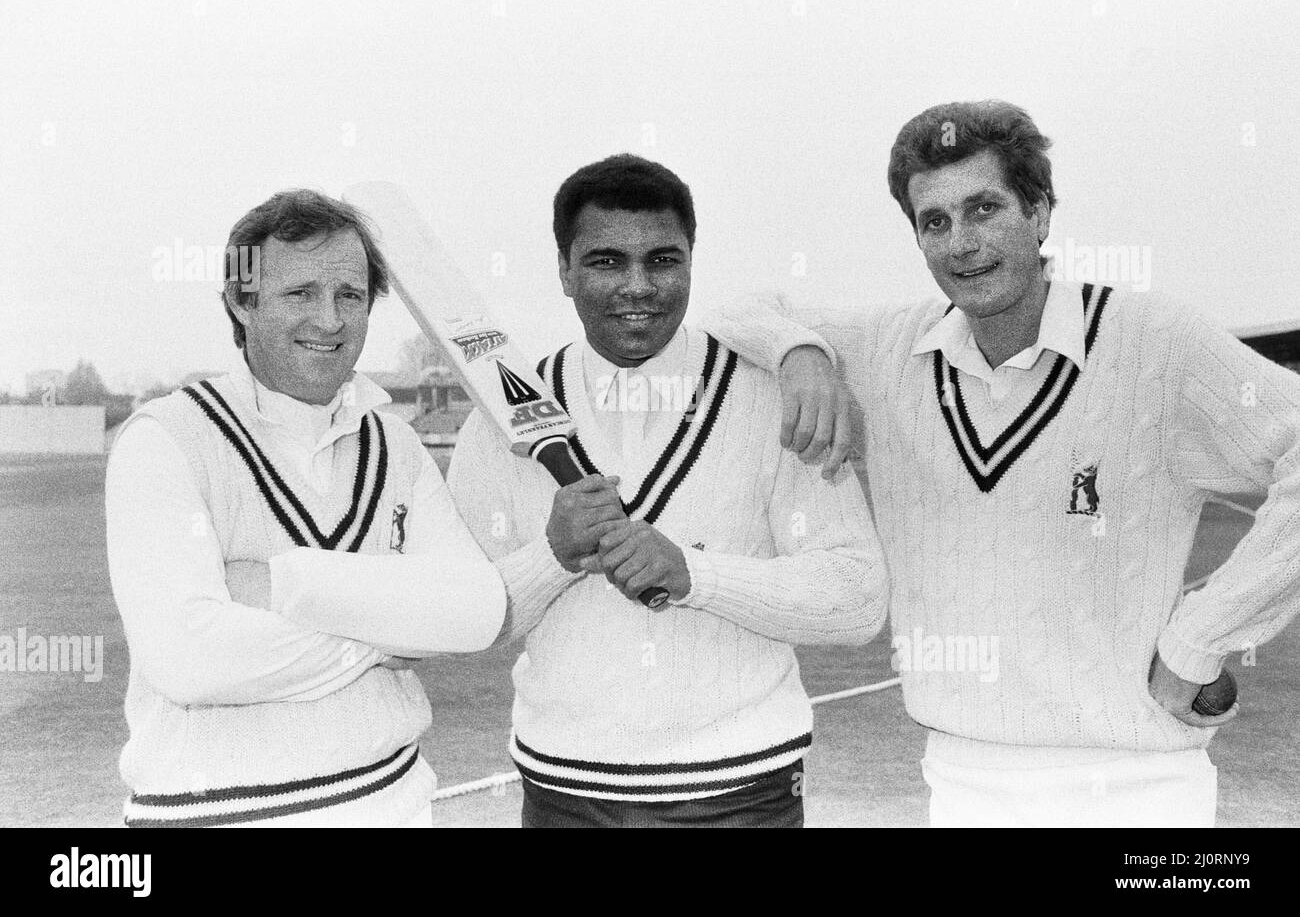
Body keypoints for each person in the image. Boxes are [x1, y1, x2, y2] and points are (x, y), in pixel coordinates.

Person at [702, 100, 1300, 827]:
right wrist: (798, 351)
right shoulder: (890, 349)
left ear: (1041, 211)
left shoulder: (1156, 341)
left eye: (984, 208)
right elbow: (729, 310)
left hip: (1142, 788)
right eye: (935, 221)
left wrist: (1201, 636)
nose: (962, 242)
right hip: (962, 780)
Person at [444, 154, 889, 827]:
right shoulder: (501, 417)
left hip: (742, 791)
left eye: (662, 259)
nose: (638, 285)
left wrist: (695, 575)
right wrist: (552, 557)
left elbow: (857, 599)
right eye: (605, 262)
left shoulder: (771, 396)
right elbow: (463, 624)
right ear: (564, 270)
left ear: (690, 260)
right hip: (566, 791)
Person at [105, 189, 509, 827]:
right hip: (221, 816)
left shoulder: (394, 443)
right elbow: (190, 660)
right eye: (301, 294)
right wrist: (385, 635)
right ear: (241, 300)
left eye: (350, 295)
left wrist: (278, 585)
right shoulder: (165, 439)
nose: (330, 320)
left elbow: (476, 611)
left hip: (393, 804)